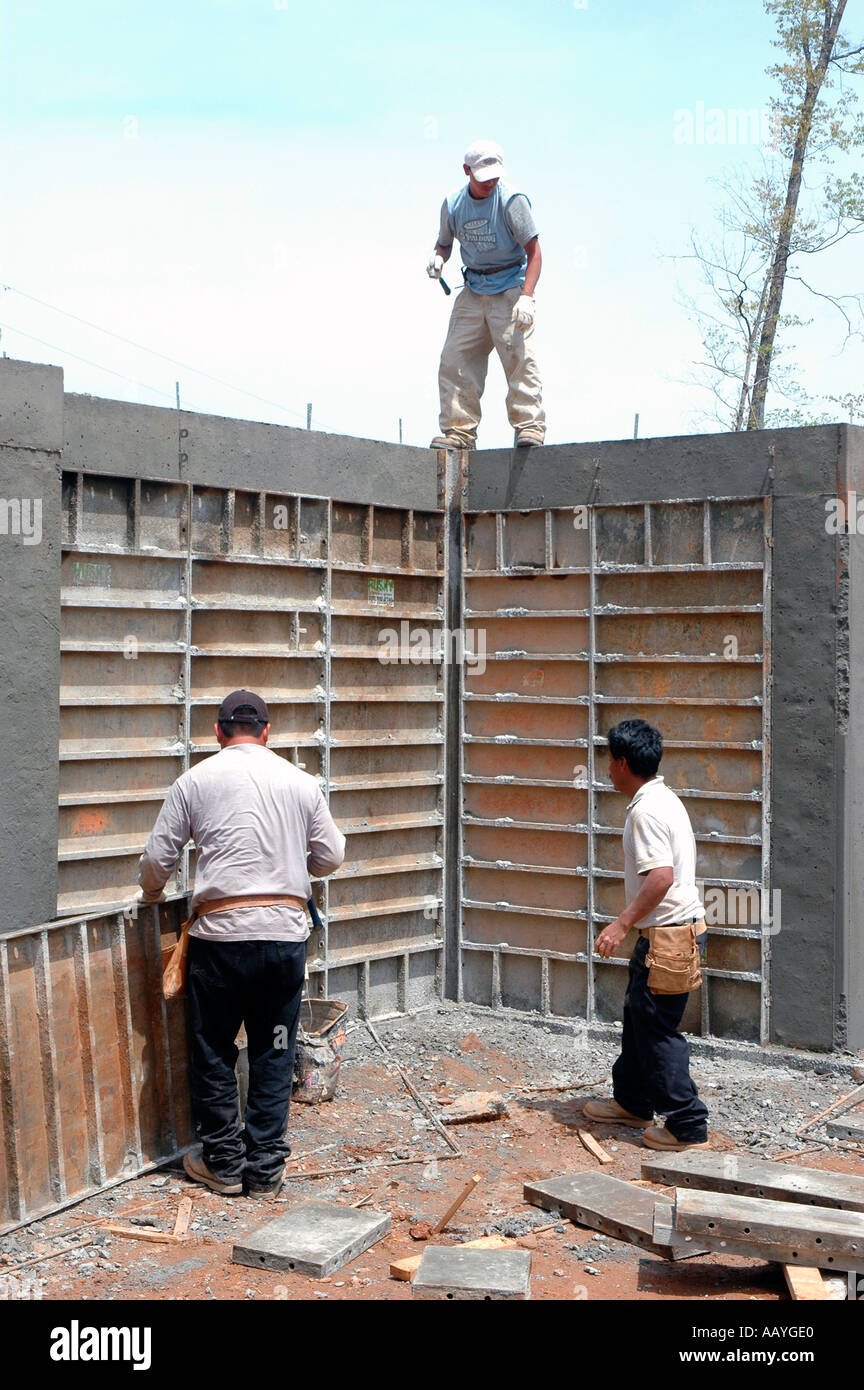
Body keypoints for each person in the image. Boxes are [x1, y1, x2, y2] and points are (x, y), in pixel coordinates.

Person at [137, 689, 345, 1197]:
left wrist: (151, 894)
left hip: (221, 944)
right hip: (282, 943)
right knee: (275, 1047)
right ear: (267, 732)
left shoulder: (195, 781)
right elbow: (331, 856)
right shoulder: (300, 782)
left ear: (218, 732)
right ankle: (266, 1171)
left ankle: (224, 1165)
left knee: (213, 1048)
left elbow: (155, 864)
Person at [586, 719, 710, 1151]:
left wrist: (621, 924)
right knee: (639, 1019)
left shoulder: (646, 810)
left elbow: (660, 877)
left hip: (669, 937)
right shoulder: (662, 798)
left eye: (609, 761)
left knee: (658, 1030)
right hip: (666, 935)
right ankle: (633, 1102)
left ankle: (687, 1124)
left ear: (621, 763)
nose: (608, 769)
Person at [427, 138, 545, 450]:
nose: (491, 181)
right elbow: (445, 242)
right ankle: (459, 434)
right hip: (474, 289)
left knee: (520, 357)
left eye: (495, 174)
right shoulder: (453, 204)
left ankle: (529, 428)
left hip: (509, 288)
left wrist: (527, 296)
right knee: (456, 359)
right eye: (484, 175)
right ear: (467, 170)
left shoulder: (511, 201)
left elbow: (534, 253)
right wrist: (439, 257)